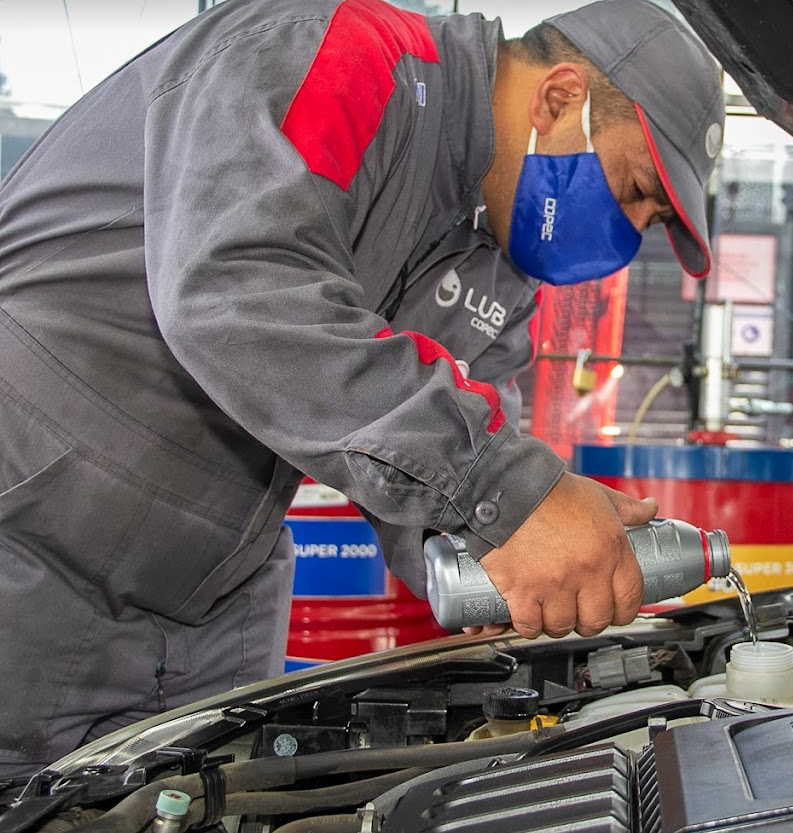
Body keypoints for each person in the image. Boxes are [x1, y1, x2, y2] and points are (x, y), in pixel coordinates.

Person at [0, 0, 723, 778]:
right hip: (38, 537)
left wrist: (506, 548)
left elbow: (444, 462)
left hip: (217, 589)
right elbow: (238, 288)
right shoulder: (348, 55)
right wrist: (509, 494)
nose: (632, 227)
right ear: (558, 98)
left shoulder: (500, 267)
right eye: (636, 187)